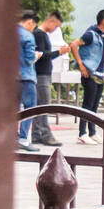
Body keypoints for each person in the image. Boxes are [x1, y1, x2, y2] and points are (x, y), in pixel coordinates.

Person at [67, 8, 104, 143]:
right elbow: (74, 45)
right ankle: (82, 133)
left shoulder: (103, 35)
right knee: (87, 104)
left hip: (100, 74)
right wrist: (81, 65)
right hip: (90, 74)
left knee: (94, 105)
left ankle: (92, 132)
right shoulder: (90, 34)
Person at [30, 10, 69, 147]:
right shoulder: (39, 34)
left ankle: (36, 134)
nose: (55, 29)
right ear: (51, 21)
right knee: (44, 106)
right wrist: (59, 52)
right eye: (56, 26)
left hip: (41, 74)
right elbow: (41, 55)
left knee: (39, 105)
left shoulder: (40, 34)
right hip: (41, 75)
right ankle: (46, 135)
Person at [16, 12, 39, 151]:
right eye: (33, 26)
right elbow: (30, 58)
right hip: (26, 77)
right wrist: (36, 55)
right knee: (30, 107)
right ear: (30, 22)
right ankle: (23, 139)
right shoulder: (27, 36)